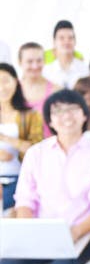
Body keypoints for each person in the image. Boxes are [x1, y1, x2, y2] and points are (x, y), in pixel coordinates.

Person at [0, 90, 90, 264]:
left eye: (72, 109)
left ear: (83, 115)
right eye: (58, 111)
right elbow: (25, 199)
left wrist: (75, 232)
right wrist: (28, 230)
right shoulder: (36, 153)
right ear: (50, 121)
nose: (66, 116)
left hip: (81, 236)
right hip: (40, 235)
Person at [0, 63, 44, 211]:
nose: (2, 87)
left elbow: (37, 149)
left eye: (5, 81)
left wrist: (6, 138)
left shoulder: (30, 115)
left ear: (16, 82)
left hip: (19, 179)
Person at [18, 42, 59, 136]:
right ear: (20, 62)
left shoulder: (56, 90)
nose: (35, 66)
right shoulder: (10, 90)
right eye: (29, 61)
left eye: (39, 60)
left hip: (47, 147)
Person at [42, 20, 90, 89]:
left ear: (75, 41)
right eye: (61, 38)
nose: (66, 42)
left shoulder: (85, 69)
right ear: (54, 42)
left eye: (70, 38)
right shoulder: (46, 71)